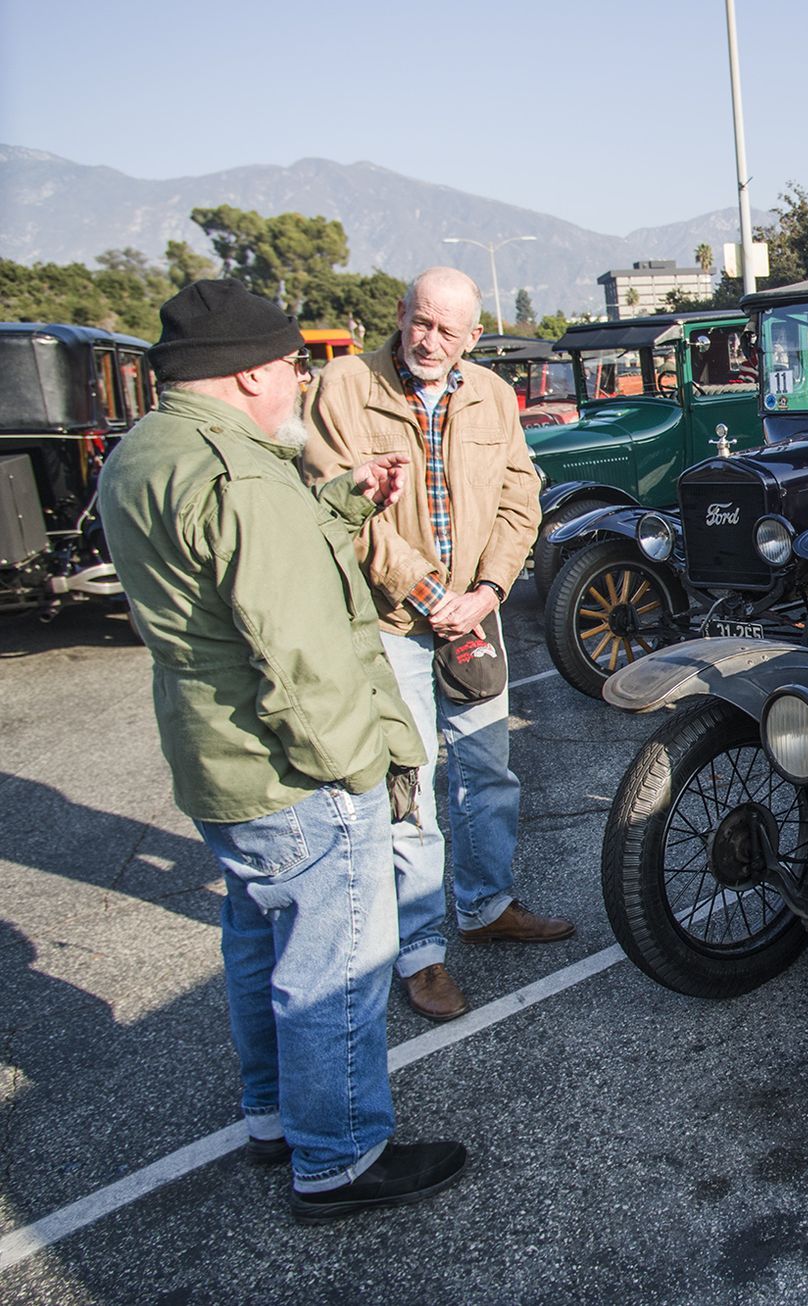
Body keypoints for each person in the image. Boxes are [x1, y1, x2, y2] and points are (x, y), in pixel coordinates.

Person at [97, 280, 467, 1220]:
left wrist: (341, 502)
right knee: (332, 964)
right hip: (291, 765)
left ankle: (272, 1117)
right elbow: (299, 651)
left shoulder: (148, 450)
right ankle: (338, 1156)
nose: (301, 381)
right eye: (294, 364)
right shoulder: (247, 477)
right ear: (252, 371)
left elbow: (228, 569)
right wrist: (357, 770)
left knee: (258, 944)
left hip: (215, 757)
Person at [305, 267, 567, 1025]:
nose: (431, 341)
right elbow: (343, 509)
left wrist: (487, 593)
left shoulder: (490, 392)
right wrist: (428, 596)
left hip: (474, 618)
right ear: (400, 315)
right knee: (410, 792)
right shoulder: (345, 387)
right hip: (391, 626)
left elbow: (522, 497)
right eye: (422, 322)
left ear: (472, 338)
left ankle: (485, 907)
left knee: (488, 775)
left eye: (449, 331)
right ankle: (420, 954)